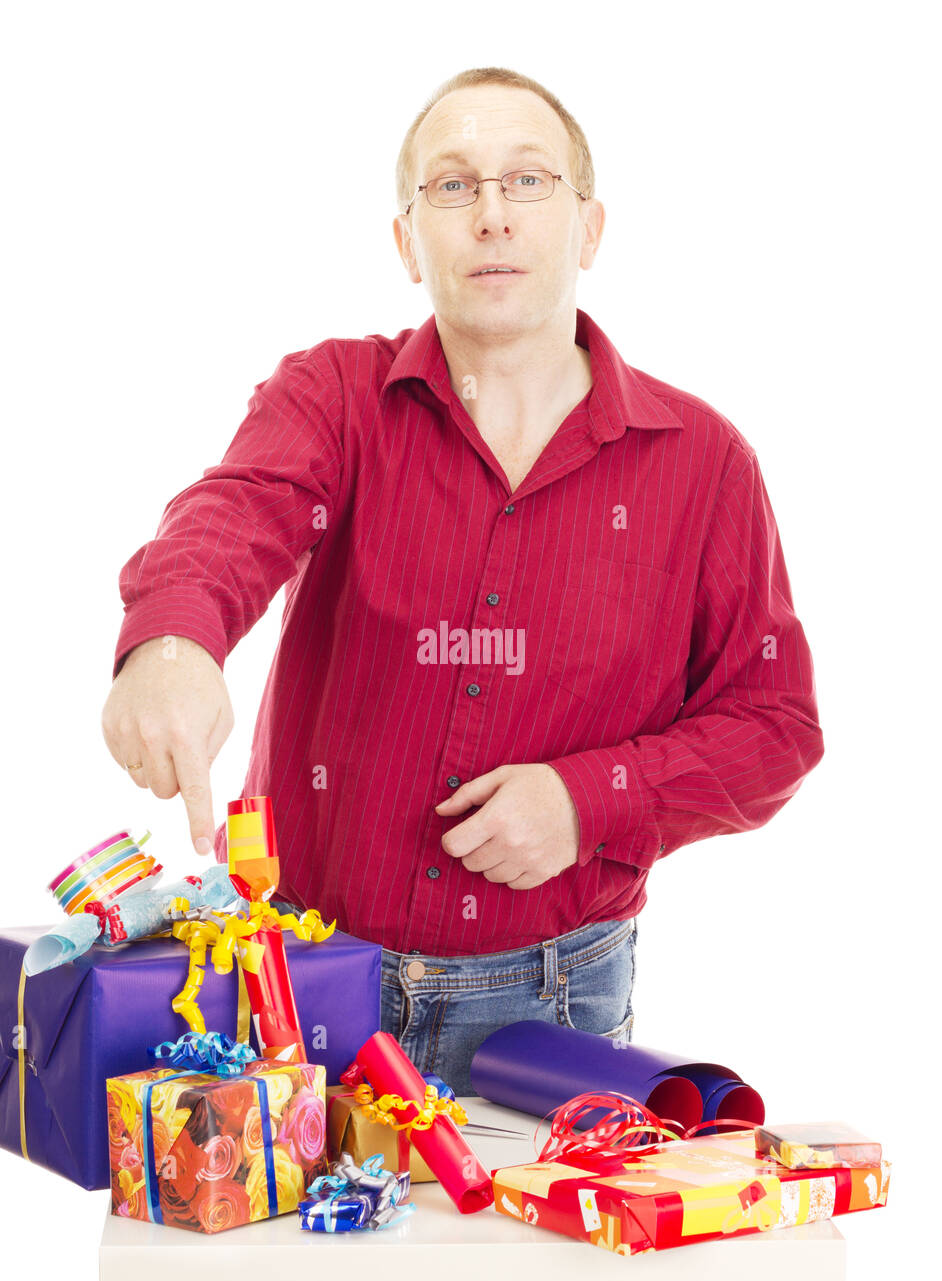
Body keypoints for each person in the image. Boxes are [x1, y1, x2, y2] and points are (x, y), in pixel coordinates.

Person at [101, 67, 824, 1095]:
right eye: (452, 186)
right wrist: (172, 641)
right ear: (407, 242)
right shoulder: (335, 396)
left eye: (528, 181)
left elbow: (776, 725)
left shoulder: (705, 463)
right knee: (287, 1262)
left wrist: (589, 798)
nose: (490, 215)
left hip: (552, 1005)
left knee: (532, 1262)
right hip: (302, 977)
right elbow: (238, 510)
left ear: (589, 228)